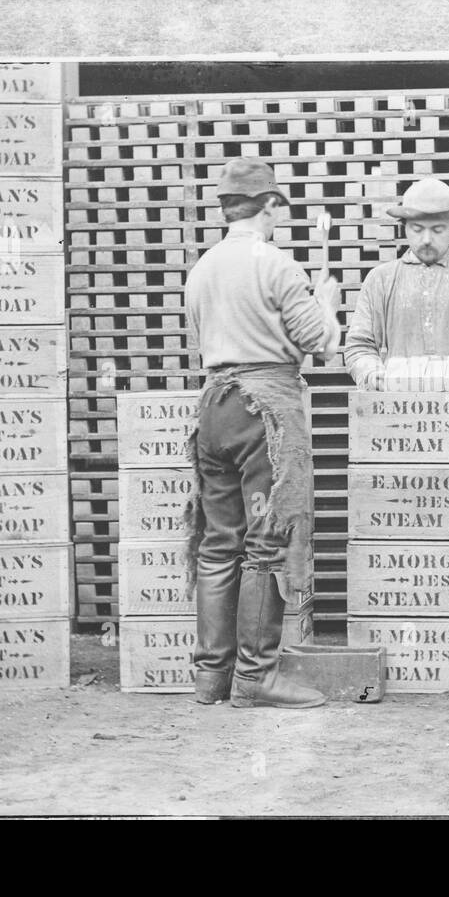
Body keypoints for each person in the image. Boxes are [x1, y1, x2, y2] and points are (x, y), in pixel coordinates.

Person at [182, 157, 341, 708]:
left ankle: (211, 678)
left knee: (218, 542)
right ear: (269, 206)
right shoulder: (277, 265)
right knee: (265, 543)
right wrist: (329, 303)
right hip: (264, 412)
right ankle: (255, 678)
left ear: (228, 210)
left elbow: (200, 340)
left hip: (214, 409)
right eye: (278, 209)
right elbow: (320, 342)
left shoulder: (201, 268)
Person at [344, 177, 449, 391]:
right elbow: (359, 346)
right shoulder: (380, 279)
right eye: (417, 229)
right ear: (404, 227)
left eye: (437, 229)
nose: (426, 239)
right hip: (399, 409)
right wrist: (373, 374)